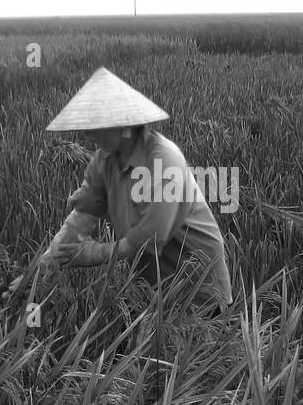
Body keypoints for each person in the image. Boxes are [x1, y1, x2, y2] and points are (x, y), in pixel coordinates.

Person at [12, 66, 233, 312]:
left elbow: (150, 238)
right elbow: (81, 218)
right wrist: (38, 272)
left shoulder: (164, 160)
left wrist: (93, 254)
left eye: (96, 126)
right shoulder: (104, 161)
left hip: (197, 277)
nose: (87, 133)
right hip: (150, 279)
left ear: (124, 126)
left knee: (195, 343)